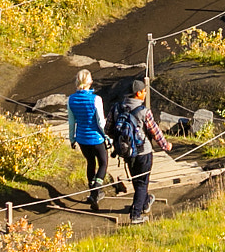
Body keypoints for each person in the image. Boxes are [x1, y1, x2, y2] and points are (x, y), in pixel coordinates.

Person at [108, 82, 171, 225]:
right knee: (142, 183)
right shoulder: (144, 111)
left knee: (138, 181)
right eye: (144, 91)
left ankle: (145, 202)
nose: (145, 93)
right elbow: (155, 132)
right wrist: (166, 146)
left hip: (127, 152)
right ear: (138, 93)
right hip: (144, 152)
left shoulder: (117, 108)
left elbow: (108, 129)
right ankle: (136, 215)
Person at [67, 70, 111, 211]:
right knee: (103, 163)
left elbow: (71, 121)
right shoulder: (96, 99)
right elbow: (100, 122)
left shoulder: (71, 99)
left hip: (81, 138)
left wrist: (72, 138)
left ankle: (92, 193)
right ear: (89, 81)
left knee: (90, 163)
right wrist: (107, 136)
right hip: (96, 137)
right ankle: (97, 190)